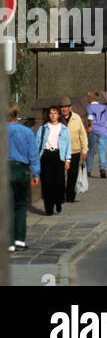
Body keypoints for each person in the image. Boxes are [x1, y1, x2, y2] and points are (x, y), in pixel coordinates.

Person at [8, 104, 39, 251]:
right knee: (21, 205)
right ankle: (20, 239)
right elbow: (33, 154)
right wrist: (36, 173)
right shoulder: (27, 132)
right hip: (22, 169)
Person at [34, 105, 71, 216]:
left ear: (59, 115)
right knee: (47, 182)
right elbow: (37, 143)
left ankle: (58, 201)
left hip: (58, 155)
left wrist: (68, 159)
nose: (53, 115)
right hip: (46, 155)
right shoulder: (43, 128)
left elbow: (68, 144)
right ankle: (48, 208)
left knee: (59, 181)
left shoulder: (63, 128)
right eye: (51, 113)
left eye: (55, 113)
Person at [60, 97, 89, 204]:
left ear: (70, 108)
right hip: (61, 152)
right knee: (60, 174)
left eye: (66, 107)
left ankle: (70, 196)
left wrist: (84, 150)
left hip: (74, 150)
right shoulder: (58, 119)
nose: (64, 109)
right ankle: (61, 195)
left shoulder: (76, 118)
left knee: (73, 175)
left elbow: (83, 135)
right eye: (62, 107)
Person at [85, 91, 107, 178]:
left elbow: (90, 117)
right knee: (102, 151)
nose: (87, 99)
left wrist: (90, 126)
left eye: (88, 97)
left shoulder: (89, 107)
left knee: (91, 150)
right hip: (103, 131)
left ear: (90, 99)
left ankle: (88, 170)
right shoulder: (104, 107)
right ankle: (102, 168)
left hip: (94, 130)